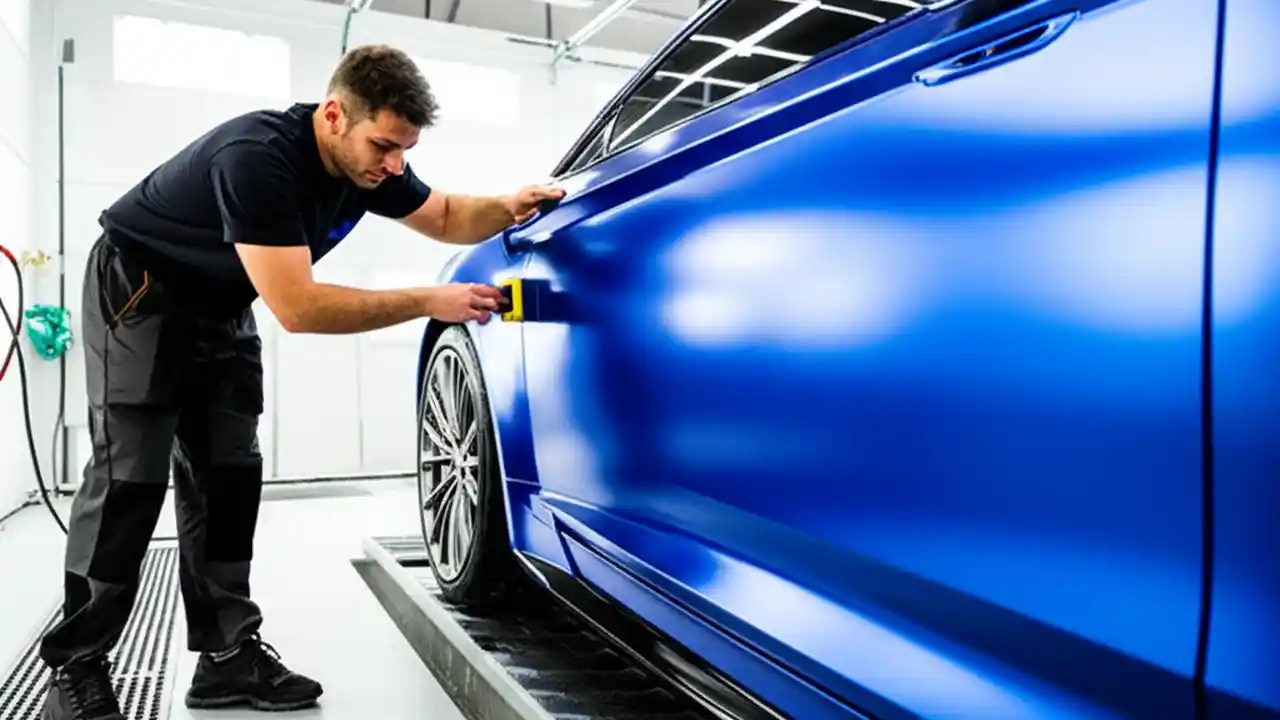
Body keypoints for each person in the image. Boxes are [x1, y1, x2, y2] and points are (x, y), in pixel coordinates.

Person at [38, 43, 564, 720]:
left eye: (405, 149)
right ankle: (76, 667)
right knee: (130, 479)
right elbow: (300, 308)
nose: (395, 165)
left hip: (222, 302)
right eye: (384, 146)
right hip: (142, 289)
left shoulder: (372, 166)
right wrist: (429, 301)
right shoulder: (259, 158)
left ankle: (227, 658)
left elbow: (443, 215)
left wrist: (512, 204)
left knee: (229, 475)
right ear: (335, 115)